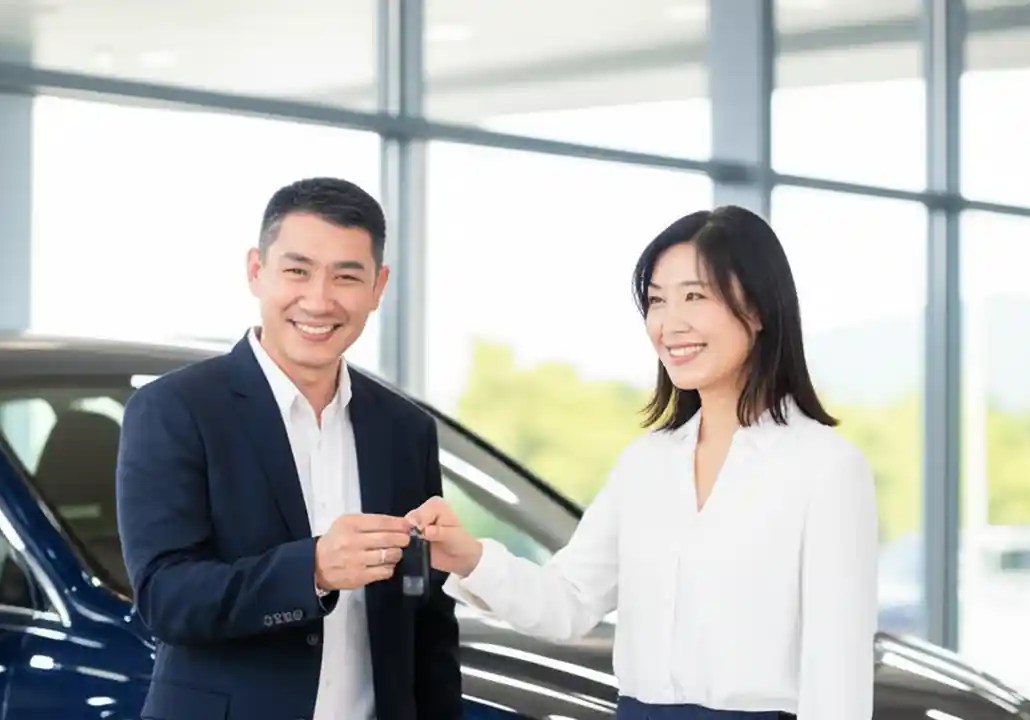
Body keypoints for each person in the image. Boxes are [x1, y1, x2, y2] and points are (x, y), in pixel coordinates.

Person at [408, 206, 878, 720]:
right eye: (657, 301)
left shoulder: (825, 467)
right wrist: (469, 556)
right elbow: (566, 603)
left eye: (695, 297)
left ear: (759, 309)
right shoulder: (646, 464)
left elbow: (838, 679)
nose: (669, 324)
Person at [116, 177, 462, 720]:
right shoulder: (176, 409)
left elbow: (429, 618)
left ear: (378, 286)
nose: (319, 300)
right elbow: (166, 598)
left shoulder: (405, 429)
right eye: (297, 271)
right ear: (257, 271)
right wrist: (313, 570)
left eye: (347, 276)